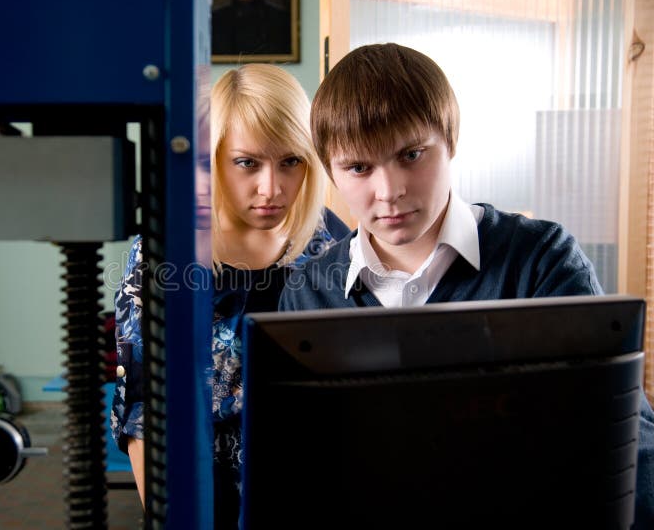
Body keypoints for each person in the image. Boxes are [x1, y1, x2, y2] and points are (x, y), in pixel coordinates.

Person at [278, 42, 654, 527]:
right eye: (359, 168)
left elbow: (626, 440)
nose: (389, 191)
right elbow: (297, 472)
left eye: (411, 155)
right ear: (330, 169)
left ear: (450, 141)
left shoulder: (540, 260)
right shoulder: (309, 291)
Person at [110, 63, 350, 528]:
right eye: (248, 163)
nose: (271, 188)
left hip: (312, 488)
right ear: (213, 157)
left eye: (290, 162)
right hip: (205, 495)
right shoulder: (167, 254)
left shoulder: (329, 242)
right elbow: (143, 416)